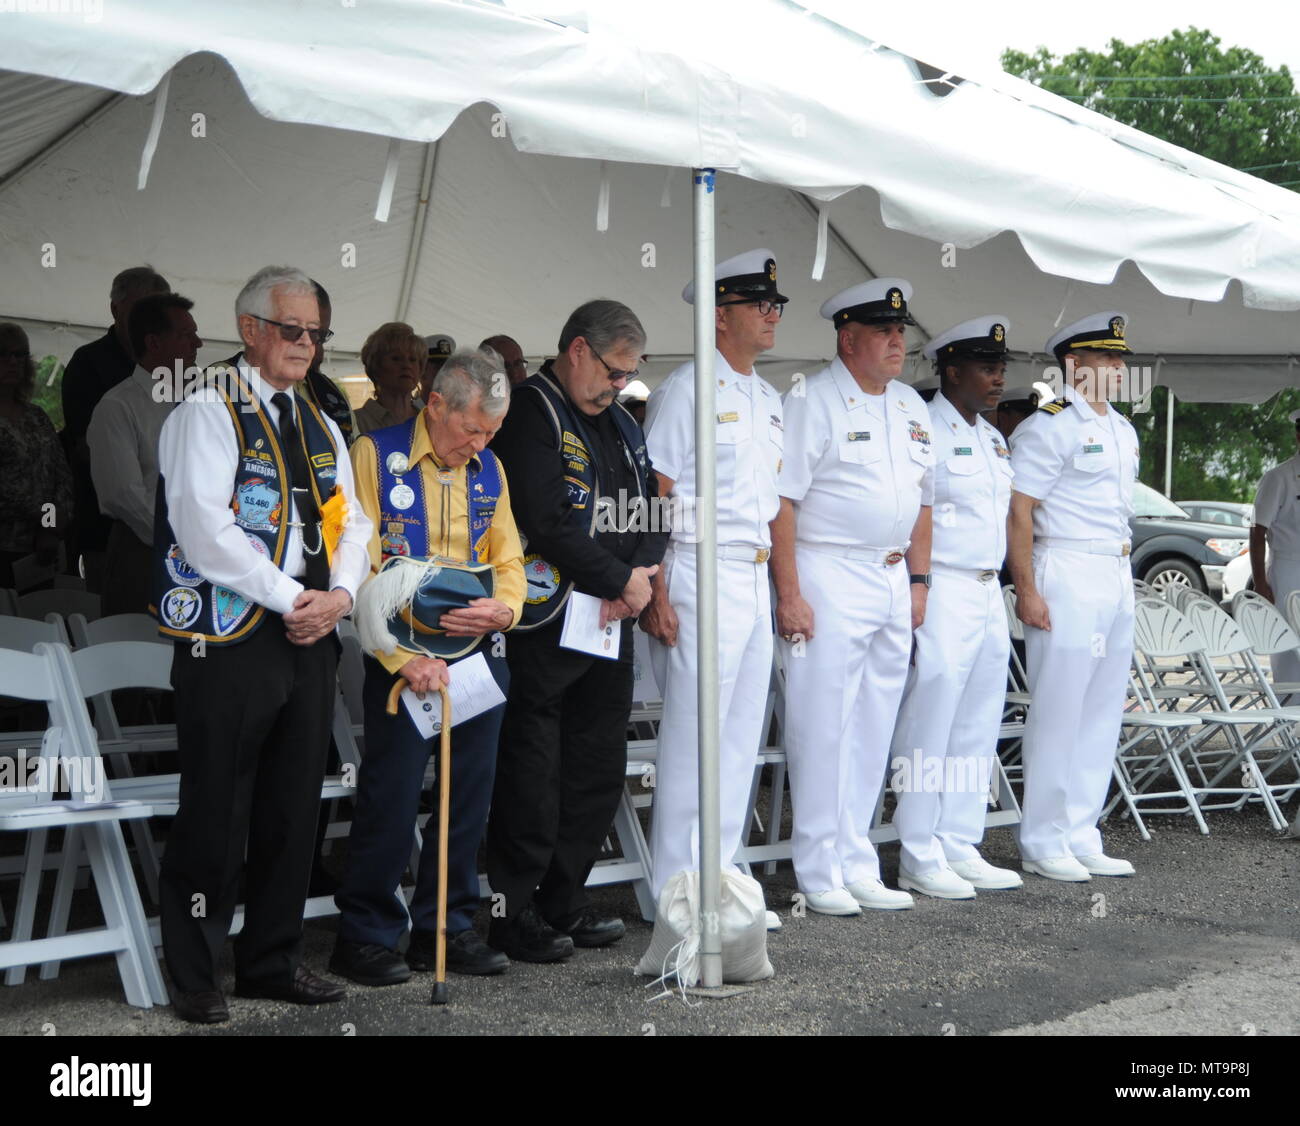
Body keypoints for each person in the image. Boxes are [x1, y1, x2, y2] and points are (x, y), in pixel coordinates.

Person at [154, 266, 373, 1023]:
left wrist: (339, 597)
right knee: (216, 810)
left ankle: (272, 960)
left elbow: (353, 523)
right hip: (231, 642)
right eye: (293, 330)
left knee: (291, 807)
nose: (308, 345)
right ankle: (194, 973)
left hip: (308, 637)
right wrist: (296, 600)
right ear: (250, 330)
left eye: (318, 333)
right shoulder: (207, 409)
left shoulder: (318, 419)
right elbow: (205, 531)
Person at [330, 349, 525, 985]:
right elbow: (351, 559)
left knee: (468, 796)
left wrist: (505, 611)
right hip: (401, 658)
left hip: (474, 657)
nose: (480, 443)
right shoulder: (373, 452)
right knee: (390, 796)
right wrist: (397, 656)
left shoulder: (490, 467)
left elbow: (510, 560)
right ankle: (365, 935)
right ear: (434, 404)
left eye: (490, 433)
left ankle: (449, 928)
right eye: (472, 429)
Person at [486, 300, 666, 962]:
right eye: (615, 371)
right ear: (579, 351)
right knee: (533, 771)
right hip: (546, 623)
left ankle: (566, 897)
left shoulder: (621, 422)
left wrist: (641, 572)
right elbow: (543, 517)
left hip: (611, 622)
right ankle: (515, 910)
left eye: (630, 376)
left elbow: (654, 507)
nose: (622, 385)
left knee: (596, 767)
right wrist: (620, 580)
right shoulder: (532, 411)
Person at [769, 278, 931, 916]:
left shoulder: (911, 406)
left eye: (901, 332)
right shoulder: (814, 399)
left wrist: (918, 582)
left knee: (872, 725)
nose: (898, 342)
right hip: (828, 572)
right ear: (848, 338)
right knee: (822, 724)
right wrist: (790, 591)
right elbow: (783, 502)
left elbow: (923, 503)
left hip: (891, 576)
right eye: (885, 333)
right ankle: (817, 868)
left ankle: (857, 857)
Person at [641, 248, 786, 929]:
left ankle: (720, 886)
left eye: (774, 304)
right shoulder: (685, 389)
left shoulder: (767, 397)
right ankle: (675, 893)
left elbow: (777, 500)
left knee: (738, 740)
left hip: (752, 571)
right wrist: (659, 592)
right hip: (698, 564)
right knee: (694, 738)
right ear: (721, 316)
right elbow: (658, 495)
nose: (772, 315)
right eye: (760, 305)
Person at [889, 315, 1023, 899]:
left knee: (977, 720)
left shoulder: (994, 436)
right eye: (986, 368)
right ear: (950, 371)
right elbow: (910, 511)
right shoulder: (925, 426)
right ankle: (918, 849)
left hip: (988, 588)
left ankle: (958, 840)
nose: (997, 379)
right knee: (931, 718)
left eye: (999, 368)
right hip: (941, 583)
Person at [1007, 311, 1139, 882]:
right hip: (1066, 565)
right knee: (1060, 710)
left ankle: (1082, 830)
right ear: (1073, 364)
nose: (1117, 367)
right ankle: (1041, 838)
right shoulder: (1050, 424)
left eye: (1118, 358)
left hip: (1114, 568)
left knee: (1102, 710)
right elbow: (1020, 511)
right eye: (1106, 357)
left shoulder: (1125, 429)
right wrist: (1027, 588)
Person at [87, 294, 201, 617]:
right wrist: (181, 540)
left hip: (198, 549)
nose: (198, 343)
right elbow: (124, 495)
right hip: (143, 547)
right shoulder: (118, 407)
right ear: (154, 343)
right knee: (137, 653)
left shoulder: (200, 402)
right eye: (186, 335)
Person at [61, 266, 170, 589]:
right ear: (116, 309)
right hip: (110, 528)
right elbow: (85, 446)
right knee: (121, 625)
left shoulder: (171, 369)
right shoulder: (89, 362)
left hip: (170, 526)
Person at [0, 323, 73, 588]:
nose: (12, 362)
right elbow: (7, 491)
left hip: (42, 549)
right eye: (3, 353)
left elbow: (61, 476)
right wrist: (45, 518)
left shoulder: (37, 416)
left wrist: (50, 527)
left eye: (20, 355)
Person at [1250, 410, 1300, 690]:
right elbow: (1257, 531)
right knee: (1289, 645)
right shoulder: (1279, 477)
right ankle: (1290, 716)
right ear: (1298, 434)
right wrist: (1260, 582)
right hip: (1289, 569)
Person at [299, 281, 357, 445]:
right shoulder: (232, 381)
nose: (313, 344)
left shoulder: (331, 394)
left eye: (320, 336)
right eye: (309, 331)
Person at [354, 323, 424, 435]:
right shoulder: (356, 422)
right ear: (376, 366)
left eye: (413, 359)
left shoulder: (430, 419)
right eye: (396, 359)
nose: (407, 365)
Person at [419, 333, 457, 403]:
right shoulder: (408, 411)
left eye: (448, 367)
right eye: (438, 367)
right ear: (422, 370)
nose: (444, 373)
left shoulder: (454, 411)